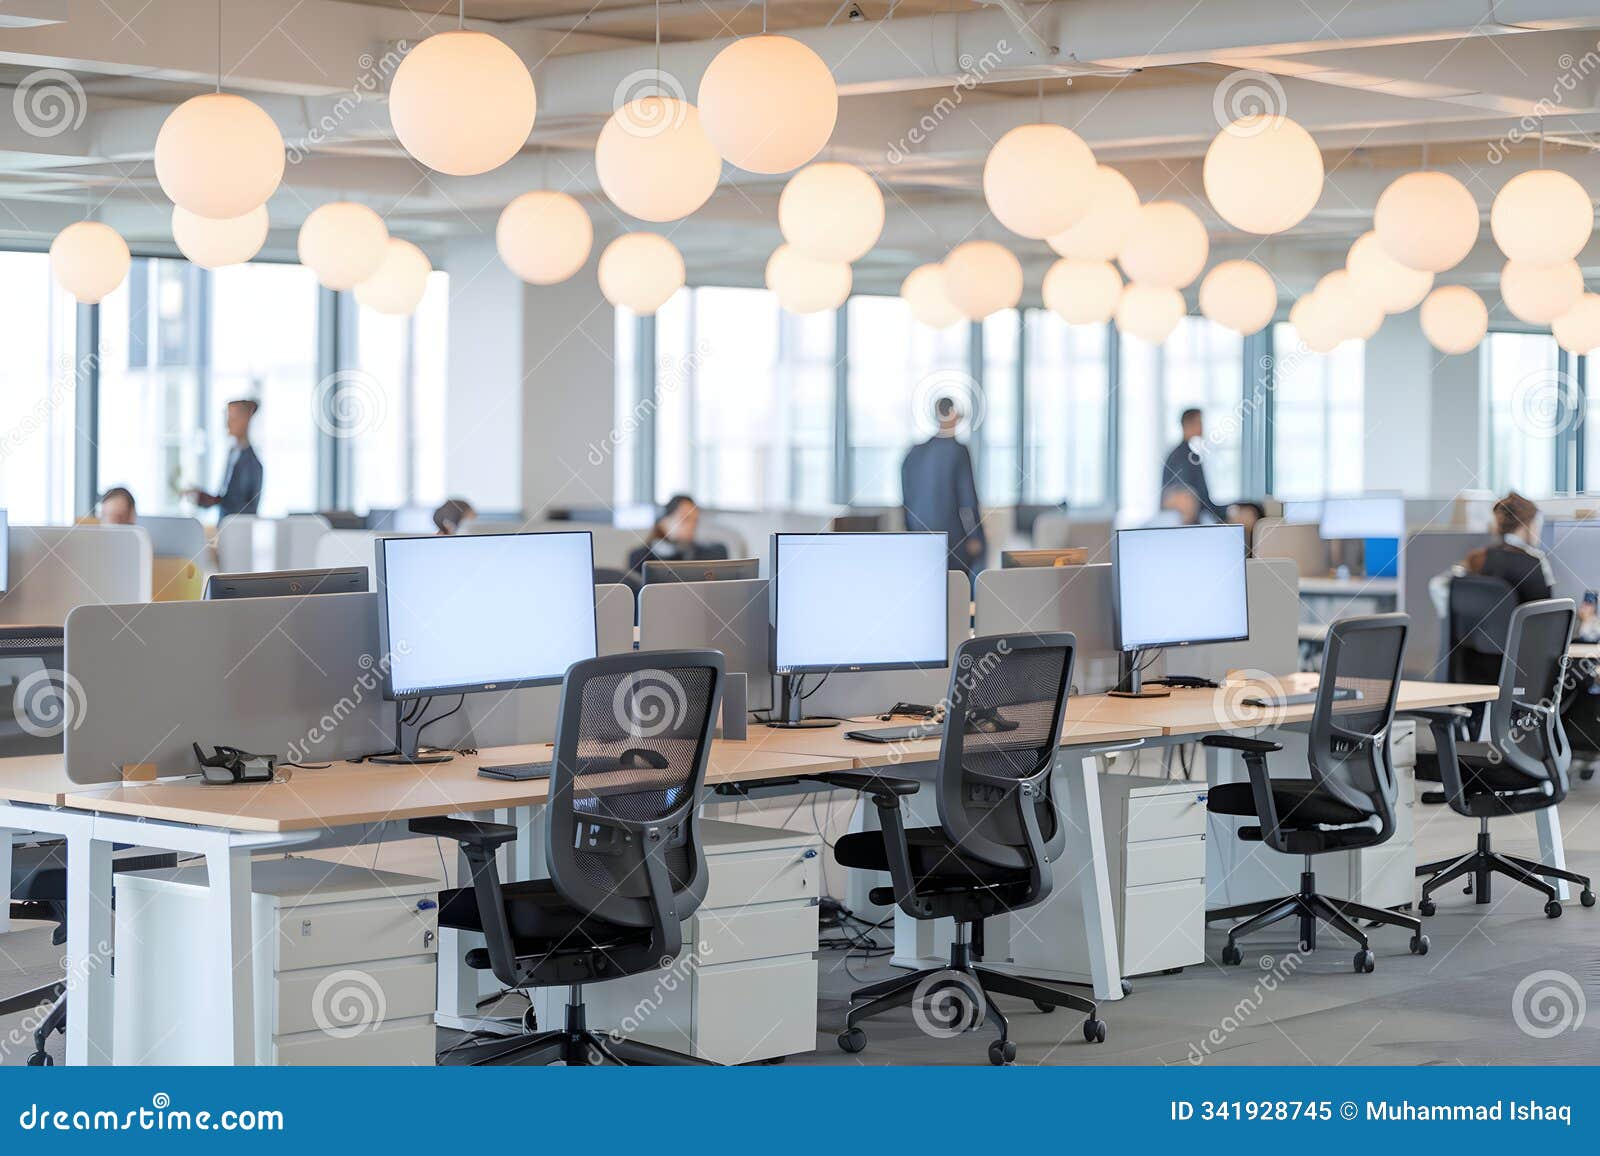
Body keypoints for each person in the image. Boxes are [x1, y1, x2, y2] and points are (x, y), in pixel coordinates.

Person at [901, 396, 986, 578]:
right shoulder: (958, 451)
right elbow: (968, 502)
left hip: (919, 539)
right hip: (952, 541)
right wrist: (977, 538)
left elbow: (906, 502)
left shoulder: (913, 454)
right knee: (961, 589)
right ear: (953, 415)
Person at [187, 399, 263, 517]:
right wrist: (206, 499)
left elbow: (245, 509)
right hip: (224, 528)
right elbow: (227, 498)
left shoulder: (252, 464)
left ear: (245, 420)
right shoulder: (232, 454)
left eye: (232, 418)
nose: (227, 424)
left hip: (238, 530)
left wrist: (215, 501)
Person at [626, 494, 728, 580]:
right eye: (685, 519)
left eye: (695, 521)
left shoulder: (710, 556)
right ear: (664, 522)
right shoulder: (640, 557)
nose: (692, 526)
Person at [1161, 408, 1225, 523]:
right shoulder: (1182, 456)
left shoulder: (1185, 454)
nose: (1202, 427)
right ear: (1188, 425)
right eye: (1200, 422)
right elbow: (1185, 492)